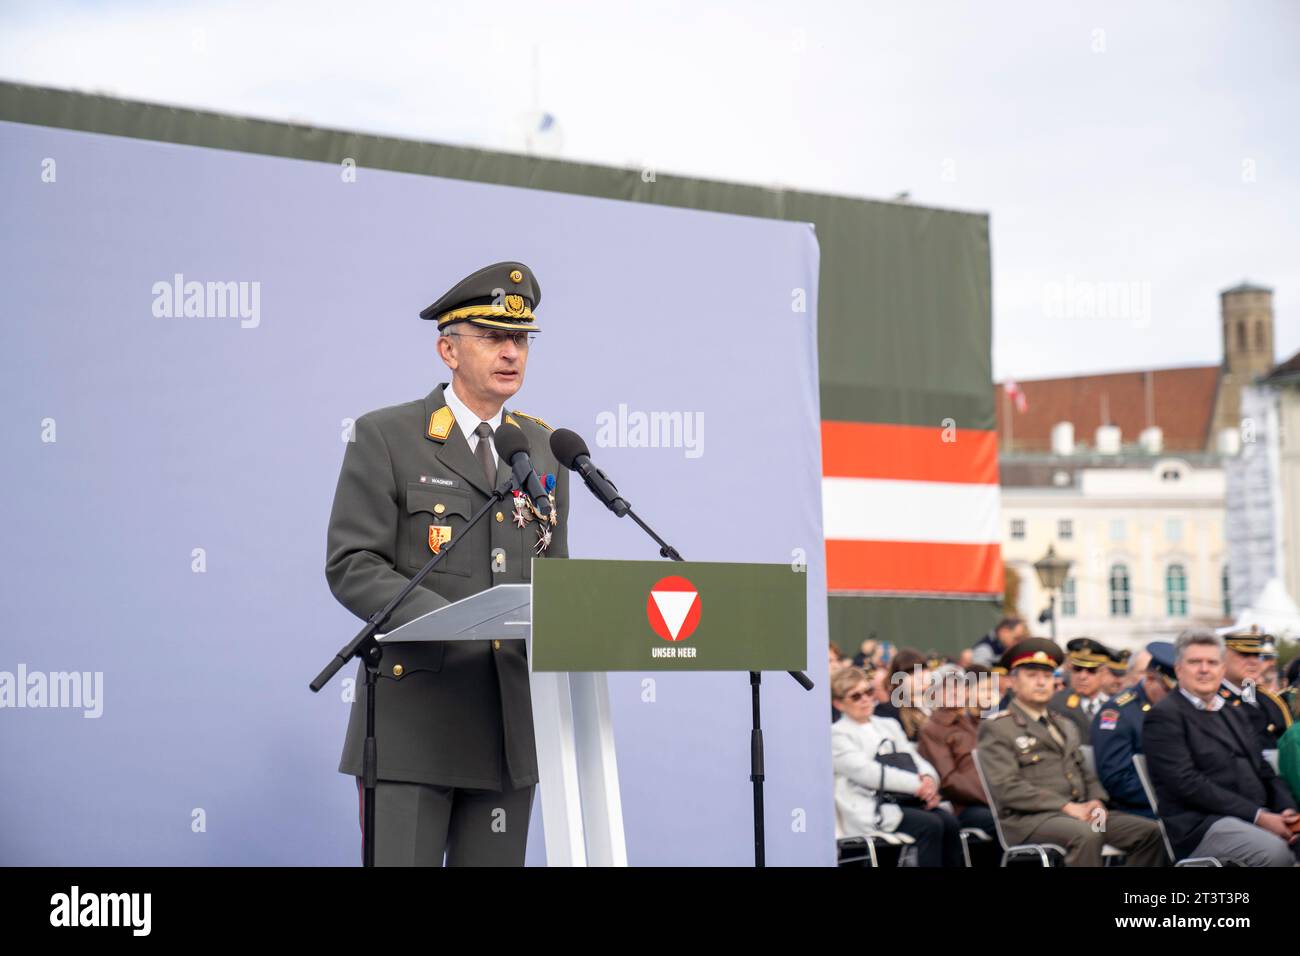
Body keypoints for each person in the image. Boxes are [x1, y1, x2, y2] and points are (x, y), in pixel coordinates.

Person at [326, 260, 568, 866]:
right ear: (448, 350)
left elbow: (557, 579)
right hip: (416, 725)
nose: (511, 351)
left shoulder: (543, 448)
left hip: (508, 727)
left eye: (520, 339)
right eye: (492, 338)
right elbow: (353, 562)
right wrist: (451, 619)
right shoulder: (387, 436)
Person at [977, 639, 1167, 867]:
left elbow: (1085, 772)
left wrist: (1096, 800)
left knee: (1149, 832)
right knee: (1086, 835)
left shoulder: (1064, 724)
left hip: (1078, 814)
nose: (1041, 683)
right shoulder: (998, 727)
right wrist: (1067, 807)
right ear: (1012, 682)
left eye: (1047, 676)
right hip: (1030, 820)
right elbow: (1007, 788)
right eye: (1032, 675)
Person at [1142, 630, 1298, 866]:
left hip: (1254, 814)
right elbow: (1188, 784)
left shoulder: (1233, 713)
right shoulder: (1164, 716)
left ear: (1222, 669)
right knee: (1275, 853)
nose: (1204, 669)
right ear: (1179, 669)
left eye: (1212, 662)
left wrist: (1287, 810)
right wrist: (1260, 817)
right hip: (1202, 824)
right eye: (1195, 662)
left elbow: (1263, 770)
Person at [831, 667, 963, 866]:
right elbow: (868, 773)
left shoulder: (888, 724)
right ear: (839, 703)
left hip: (905, 800)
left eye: (868, 692)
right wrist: (917, 786)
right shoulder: (837, 734)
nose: (865, 699)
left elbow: (914, 759)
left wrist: (928, 780)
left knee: (950, 823)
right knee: (930, 825)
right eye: (856, 696)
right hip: (871, 806)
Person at [1090, 641, 1177, 818]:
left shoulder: (1174, 708)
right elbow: (1117, 780)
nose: (1175, 696)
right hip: (1142, 808)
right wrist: (1174, 793)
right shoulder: (1118, 713)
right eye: (1168, 689)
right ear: (1151, 678)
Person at [917, 665, 998, 837]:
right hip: (964, 806)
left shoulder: (978, 722)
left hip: (995, 799)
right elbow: (949, 779)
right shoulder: (932, 729)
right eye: (945, 687)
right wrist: (991, 797)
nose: (954, 691)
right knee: (1004, 821)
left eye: (959, 685)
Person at [1218, 627, 1293, 749]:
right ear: (1222, 657)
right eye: (1244, 654)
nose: (1253, 661)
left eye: (1257, 654)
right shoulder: (1213, 699)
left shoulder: (1270, 700)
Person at [1049, 637, 1114, 737]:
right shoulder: (1055, 703)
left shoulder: (1115, 705)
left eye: (1091, 670)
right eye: (1077, 669)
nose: (1082, 676)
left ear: (1103, 673)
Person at [874, 648, 930, 741]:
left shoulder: (941, 705)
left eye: (922, 669)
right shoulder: (888, 711)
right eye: (911, 673)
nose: (920, 676)